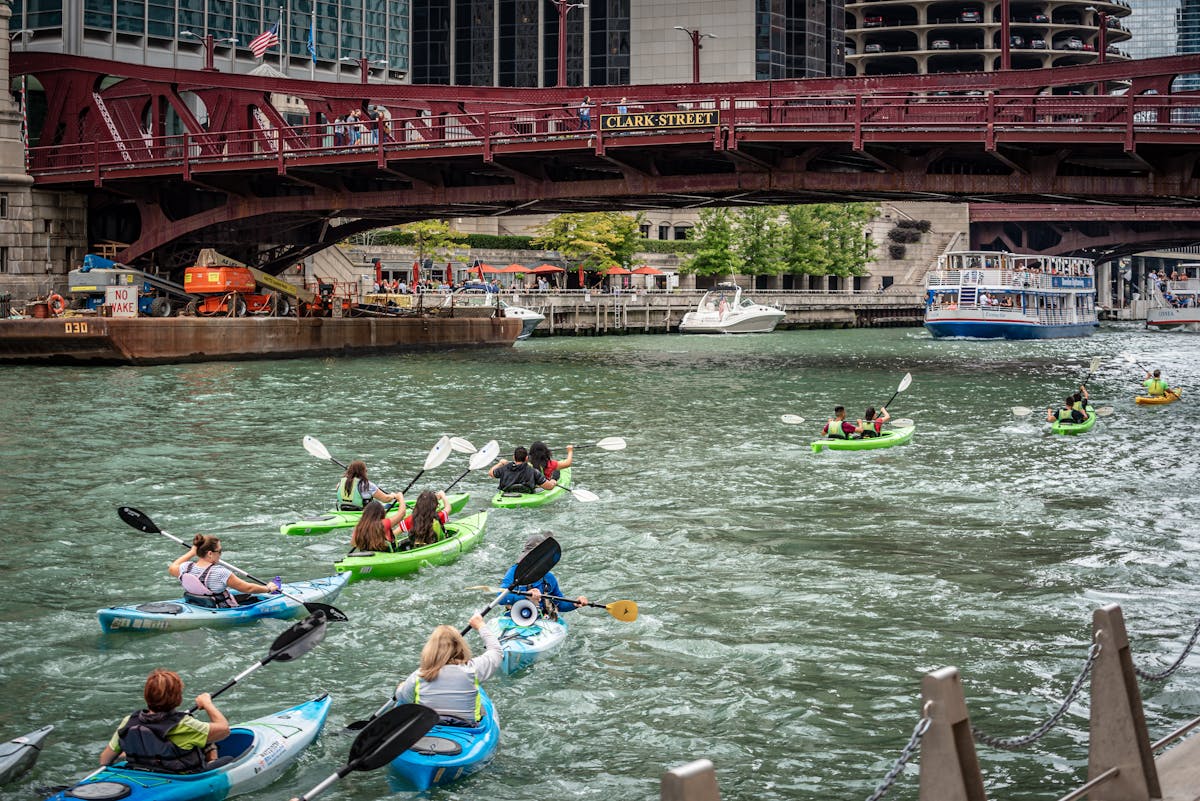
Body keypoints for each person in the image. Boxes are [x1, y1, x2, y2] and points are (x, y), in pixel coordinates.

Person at [99, 669, 230, 772]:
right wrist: (207, 704)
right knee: (225, 757)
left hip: (143, 774)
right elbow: (224, 730)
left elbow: (104, 760)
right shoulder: (185, 725)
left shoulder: (129, 722)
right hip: (181, 778)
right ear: (178, 698)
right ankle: (212, 762)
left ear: (146, 696)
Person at [394, 614, 502, 725]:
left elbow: (403, 699)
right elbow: (496, 652)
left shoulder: (419, 675)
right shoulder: (472, 669)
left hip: (428, 727)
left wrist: (400, 688)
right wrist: (480, 625)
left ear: (430, 649)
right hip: (466, 727)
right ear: (460, 646)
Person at [169, 535, 278, 607]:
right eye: (219, 551)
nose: (220, 554)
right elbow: (247, 588)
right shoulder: (220, 572)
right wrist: (268, 588)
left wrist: (192, 552)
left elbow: (172, 567)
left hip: (197, 604)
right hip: (220, 609)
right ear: (210, 554)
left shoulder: (185, 568)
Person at [499, 533, 587, 619]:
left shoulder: (549, 578)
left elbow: (559, 604)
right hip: (515, 619)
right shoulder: (513, 573)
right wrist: (525, 596)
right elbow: (500, 598)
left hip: (542, 621)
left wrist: (574, 604)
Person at [336, 460, 401, 511]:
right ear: (363, 472)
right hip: (364, 513)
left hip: (344, 510)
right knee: (390, 505)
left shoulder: (340, 483)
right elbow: (386, 499)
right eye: (365, 470)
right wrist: (393, 495)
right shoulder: (368, 485)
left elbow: (339, 488)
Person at [489, 446, 557, 493]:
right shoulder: (533, 471)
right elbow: (549, 487)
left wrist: (500, 463)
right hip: (526, 494)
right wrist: (553, 481)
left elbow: (491, 473)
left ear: (513, 457)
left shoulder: (504, 468)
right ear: (527, 458)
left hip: (506, 494)